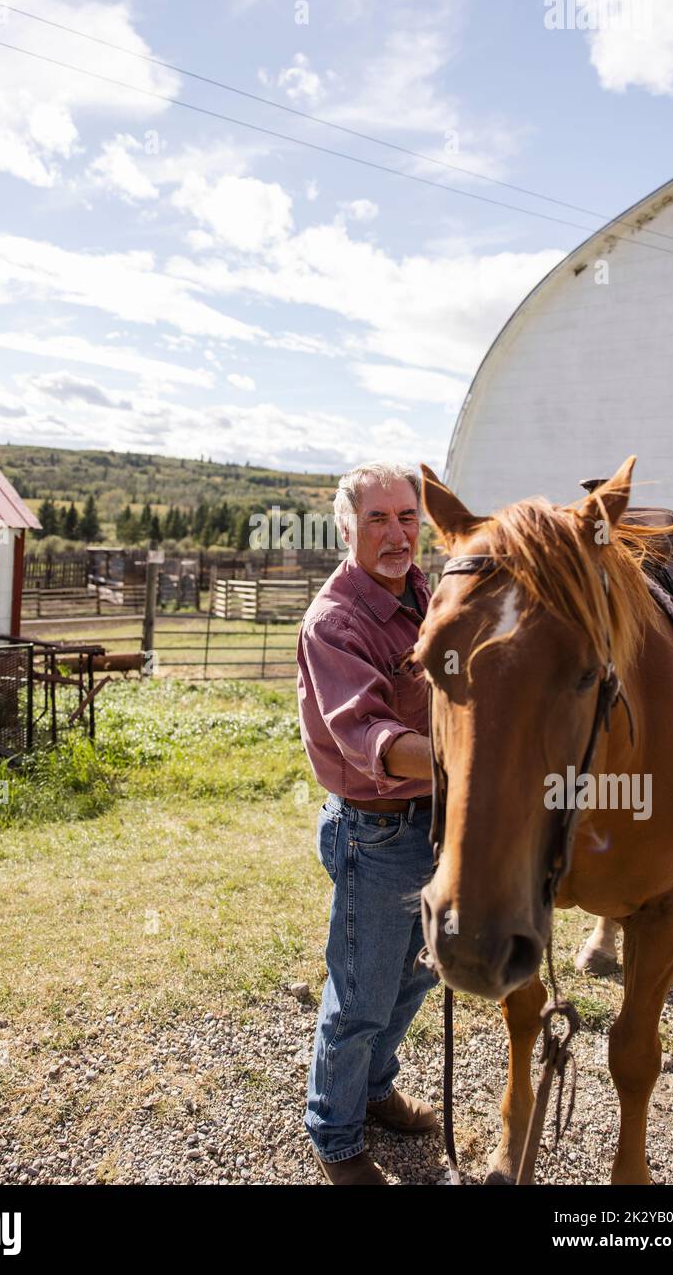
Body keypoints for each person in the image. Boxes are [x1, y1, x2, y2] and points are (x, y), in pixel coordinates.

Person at [297, 461, 439, 1186]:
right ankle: (335, 1133)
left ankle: (373, 1088)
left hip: (432, 823)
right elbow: (369, 739)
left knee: (416, 976)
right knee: (359, 994)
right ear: (346, 527)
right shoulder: (336, 621)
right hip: (376, 830)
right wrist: (470, 757)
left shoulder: (424, 592)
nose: (396, 533)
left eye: (407, 517)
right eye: (378, 519)